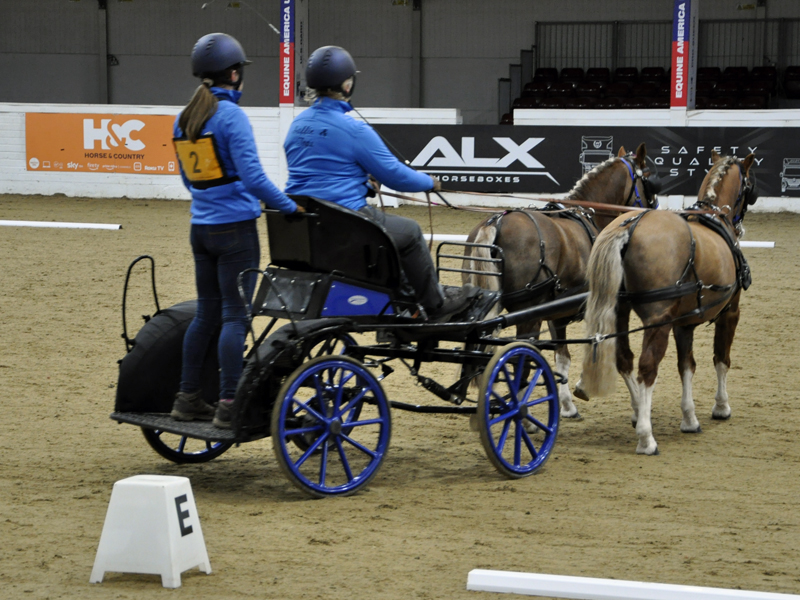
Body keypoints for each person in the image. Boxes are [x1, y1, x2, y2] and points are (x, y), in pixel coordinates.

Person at [283, 45, 475, 320]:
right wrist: (429, 182)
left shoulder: (297, 124)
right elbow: (395, 175)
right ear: (348, 84)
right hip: (344, 222)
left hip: (306, 226)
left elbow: (317, 174)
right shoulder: (353, 129)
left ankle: (402, 300)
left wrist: (361, 185)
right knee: (409, 232)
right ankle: (434, 305)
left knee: (391, 232)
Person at [170, 32, 303, 428]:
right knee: (236, 317)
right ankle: (230, 400)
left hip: (201, 228)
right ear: (233, 74)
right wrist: (288, 206)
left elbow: (188, 182)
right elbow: (254, 177)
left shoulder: (185, 118)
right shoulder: (231, 117)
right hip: (235, 232)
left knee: (206, 315)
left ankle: (187, 396)